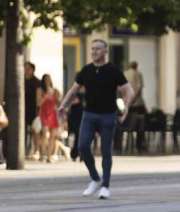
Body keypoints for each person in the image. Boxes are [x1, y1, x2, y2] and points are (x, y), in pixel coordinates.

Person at [58, 39, 134, 199]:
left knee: (106, 151)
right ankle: (96, 179)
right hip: (89, 115)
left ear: (105, 51)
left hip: (108, 115)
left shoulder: (113, 70)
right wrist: (63, 105)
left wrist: (126, 107)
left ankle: (105, 186)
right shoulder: (86, 70)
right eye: (92, 49)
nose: (94, 51)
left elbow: (129, 90)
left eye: (98, 49)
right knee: (83, 146)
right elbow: (73, 90)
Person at [124, 61, 147, 152]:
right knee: (140, 125)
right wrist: (133, 98)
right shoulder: (138, 74)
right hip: (138, 103)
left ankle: (128, 146)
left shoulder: (124, 74)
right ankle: (139, 145)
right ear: (136, 66)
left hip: (128, 104)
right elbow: (139, 87)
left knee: (129, 125)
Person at [38, 75, 61, 162]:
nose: (47, 81)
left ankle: (49, 156)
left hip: (53, 114)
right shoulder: (40, 90)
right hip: (44, 113)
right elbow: (38, 103)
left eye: (49, 80)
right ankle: (42, 153)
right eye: (46, 80)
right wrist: (46, 96)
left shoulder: (54, 91)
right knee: (45, 135)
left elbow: (58, 103)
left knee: (53, 136)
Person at [24, 62, 42, 160]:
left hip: (33, 109)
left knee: (35, 130)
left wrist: (38, 110)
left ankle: (36, 151)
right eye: (25, 68)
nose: (26, 71)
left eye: (28, 69)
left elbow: (38, 97)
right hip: (23, 109)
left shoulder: (36, 82)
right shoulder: (21, 80)